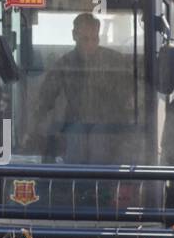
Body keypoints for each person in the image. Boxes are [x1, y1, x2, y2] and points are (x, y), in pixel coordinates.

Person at [26, 12, 136, 163]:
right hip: (75, 125)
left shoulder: (115, 62)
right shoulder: (64, 64)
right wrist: (32, 130)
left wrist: (131, 126)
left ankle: (100, 184)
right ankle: (75, 183)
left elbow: (131, 98)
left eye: (94, 39)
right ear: (74, 36)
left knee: (99, 138)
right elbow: (45, 99)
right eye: (85, 39)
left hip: (110, 126)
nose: (91, 44)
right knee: (76, 136)